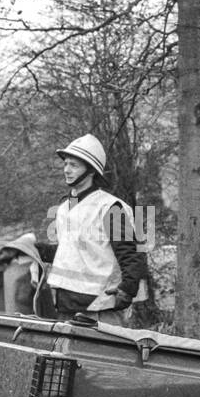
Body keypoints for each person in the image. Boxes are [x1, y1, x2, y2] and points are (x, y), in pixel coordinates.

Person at [48, 134, 148, 325]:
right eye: (65, 164)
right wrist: (30, 250)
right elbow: (69, 251)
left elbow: (130, 254)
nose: (66, 170)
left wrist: (127, 289)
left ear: (91, 171)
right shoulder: (64, 209)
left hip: (99, 307)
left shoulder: (110, 208)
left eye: (74, 165)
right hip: (65, 304)